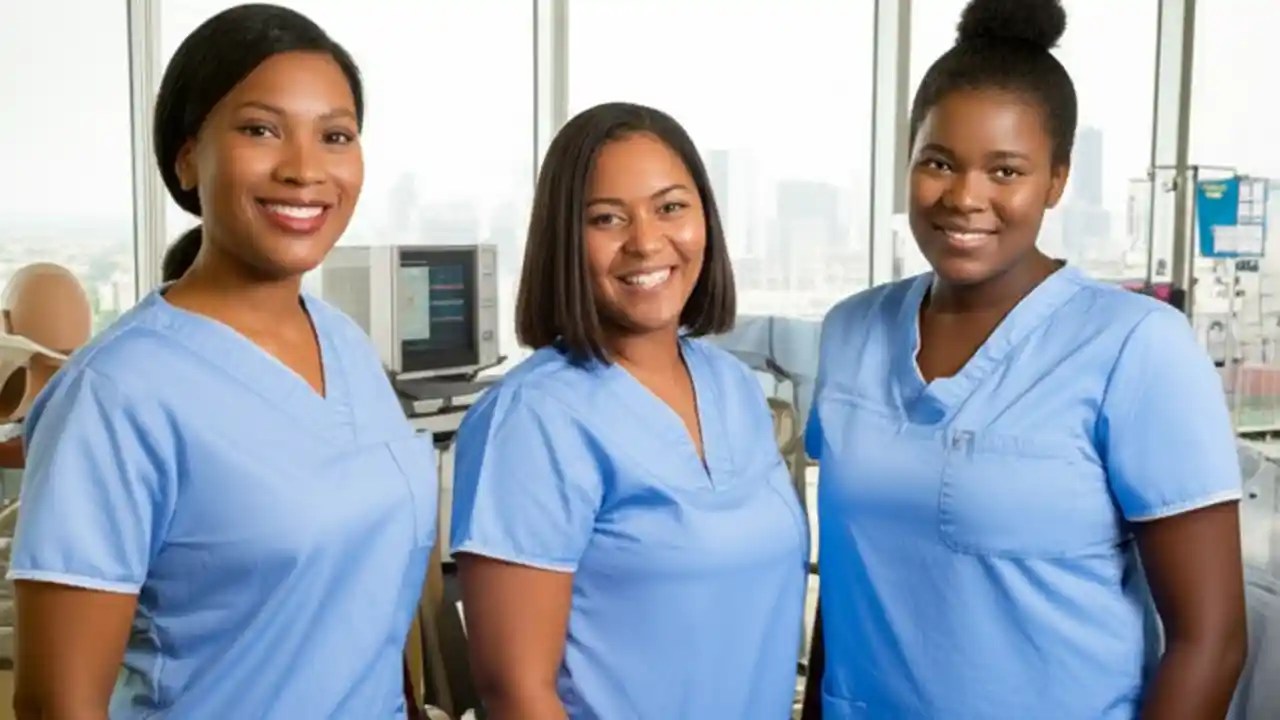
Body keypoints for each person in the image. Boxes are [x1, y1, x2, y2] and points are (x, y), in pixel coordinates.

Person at [804, 0, 1247, 718]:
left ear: (1056, 180)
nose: (965, 197)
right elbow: (855, 585)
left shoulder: (1136, 347)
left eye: (1005, 171)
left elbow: (1212, 638)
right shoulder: (852, 332)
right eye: (938, 162)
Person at [8, 5, 437, 718]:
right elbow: (58, 706)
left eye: (335, 135)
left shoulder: (348, 346)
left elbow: (364, 611)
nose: (304, 169)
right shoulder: (117, 394)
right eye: (260, 129)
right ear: (186, 155)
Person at [450, 102, 808, 719]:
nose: (646, 241)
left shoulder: (736, 388)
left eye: (670, 207)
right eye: (606, 218)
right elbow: (517, 696)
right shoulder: (535, 419)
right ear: (564, 240)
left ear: (706, 220)